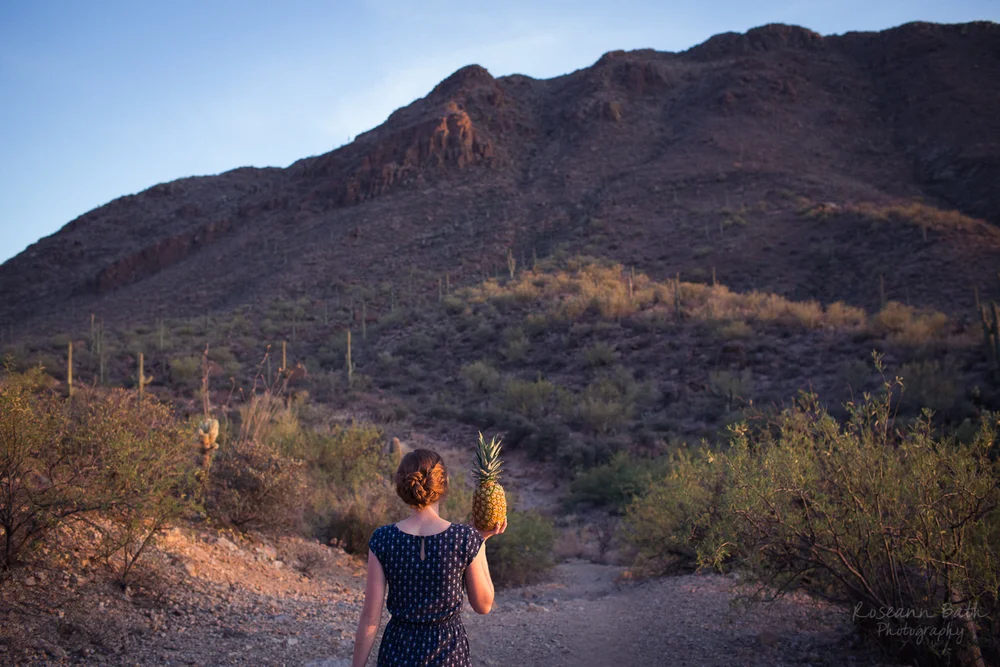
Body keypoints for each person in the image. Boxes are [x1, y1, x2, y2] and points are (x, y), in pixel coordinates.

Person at [351, 448, 507, 667]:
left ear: (402, 485)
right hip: (448, 655)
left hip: (397, 653)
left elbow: (370, 619)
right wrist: (480, 543)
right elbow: (484, 605)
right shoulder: (464, 538)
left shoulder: (383, 538)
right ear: (444, 483)